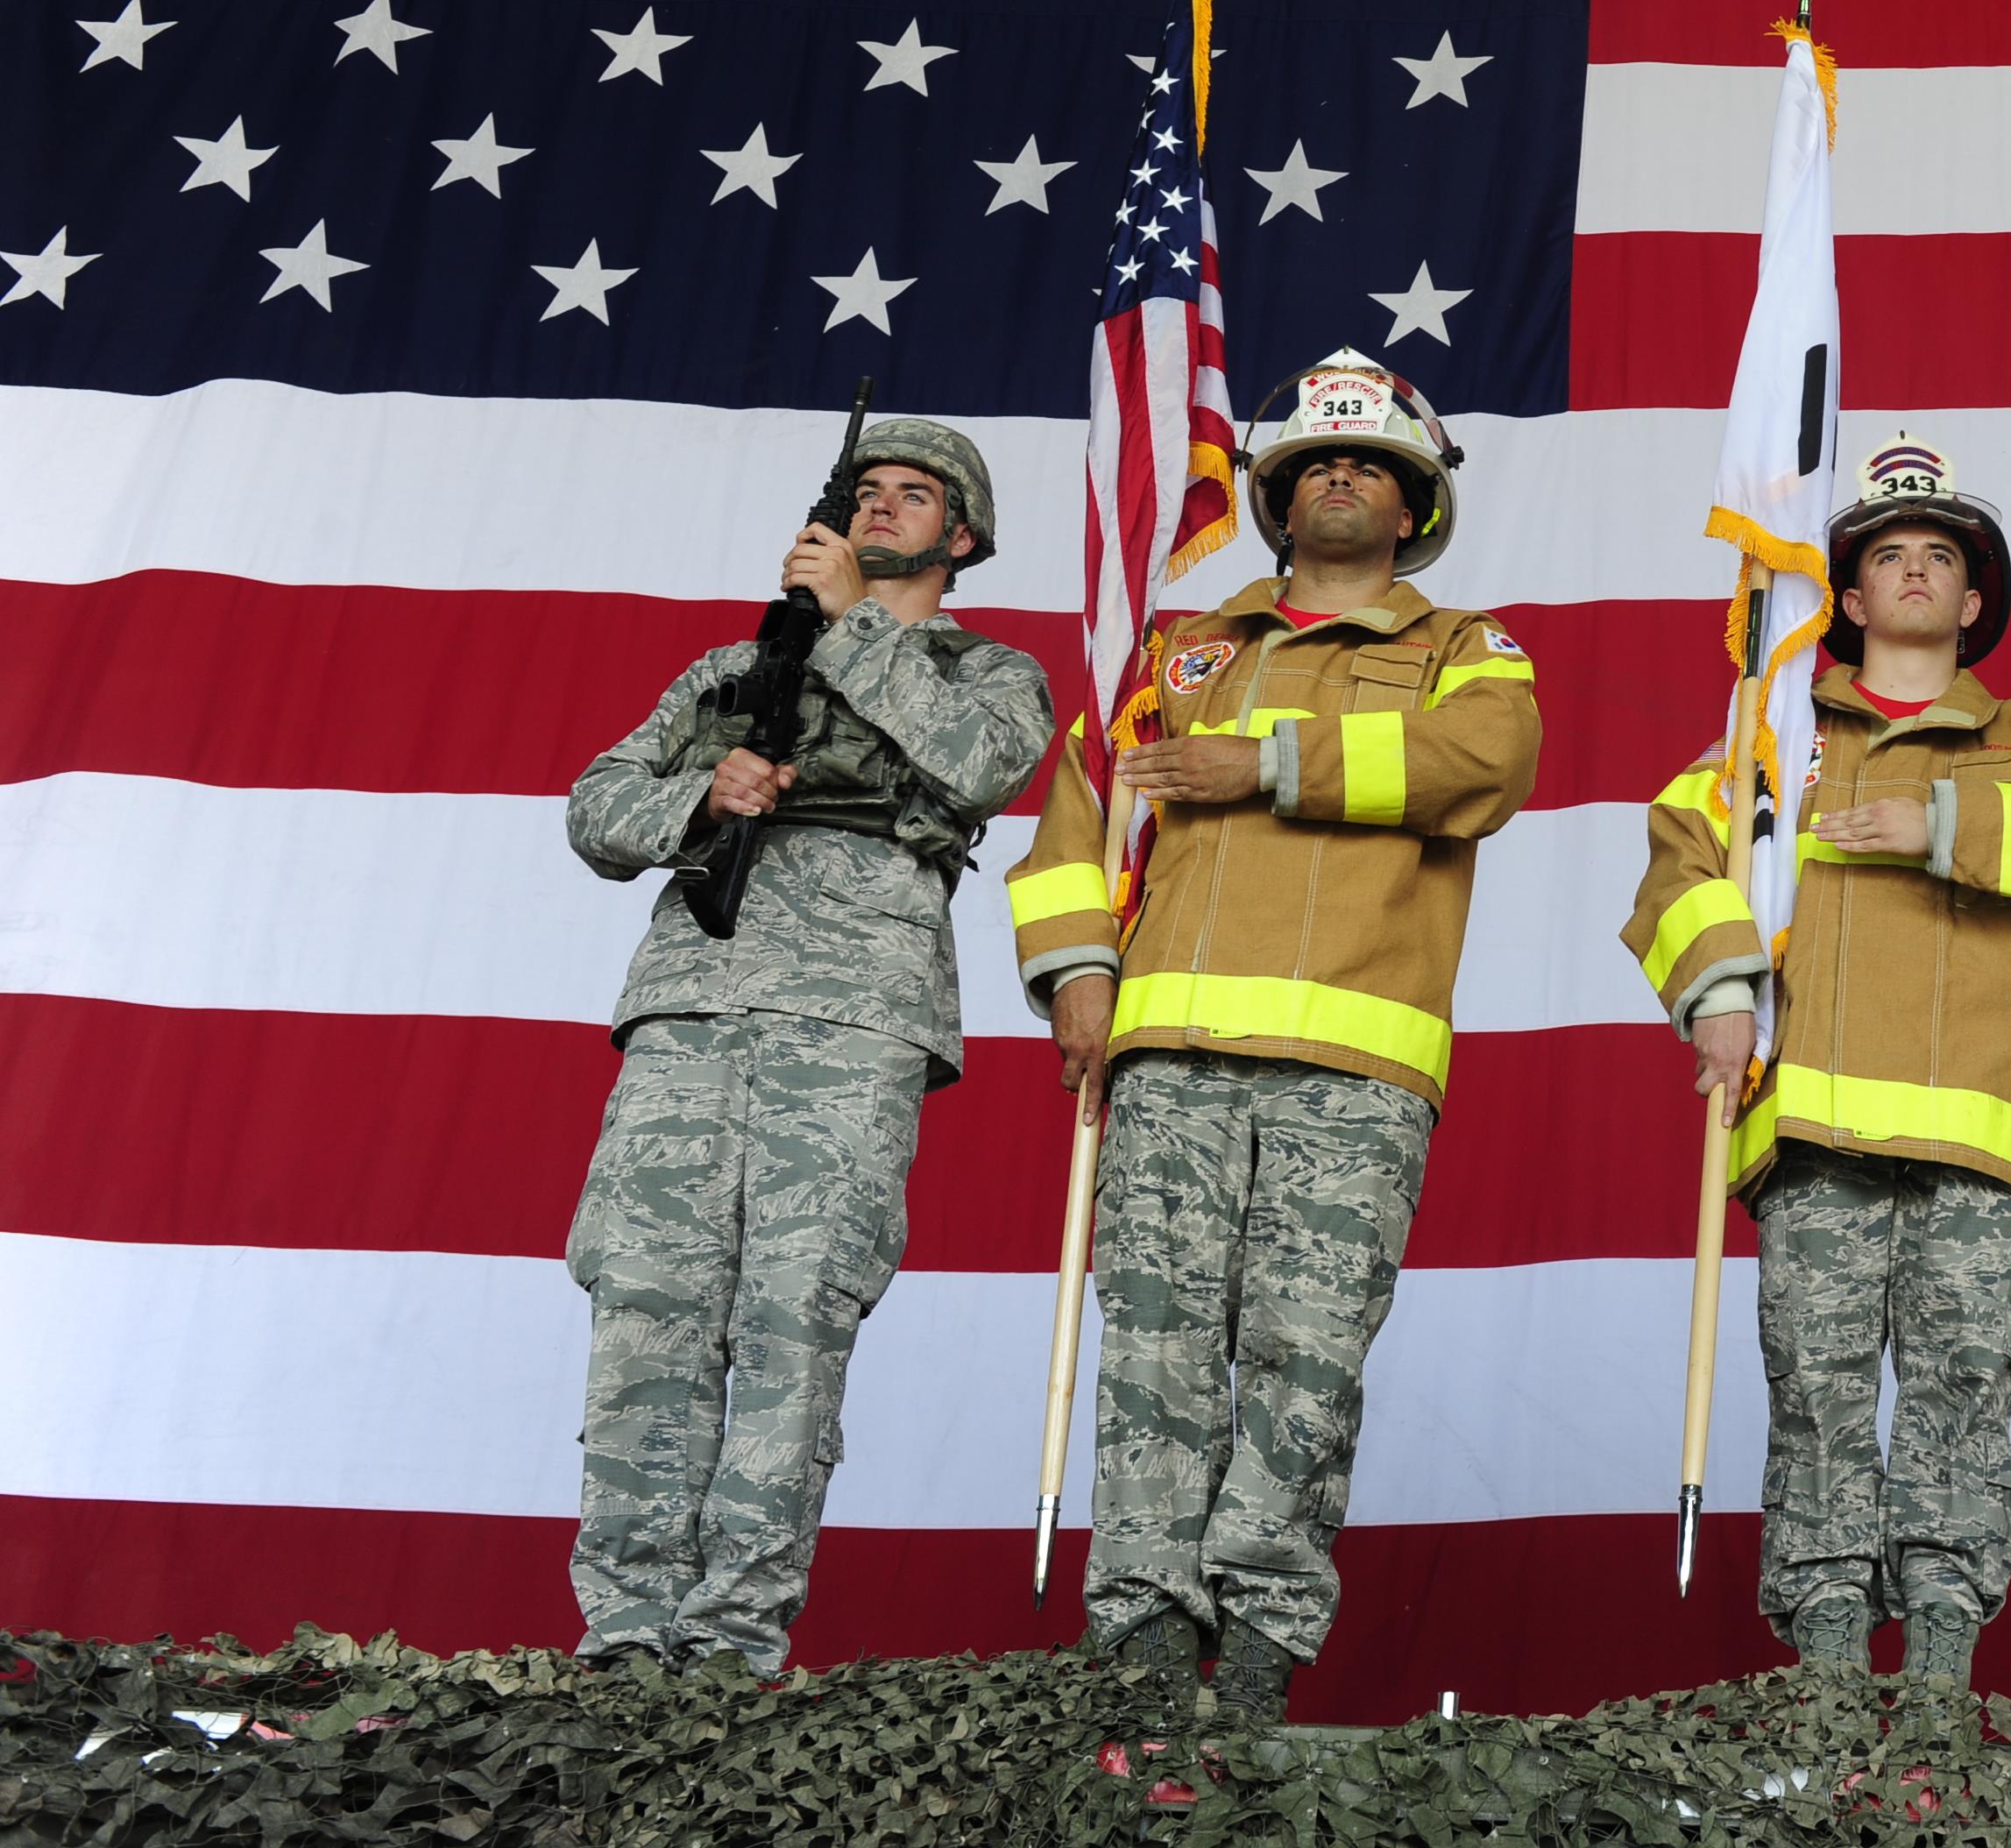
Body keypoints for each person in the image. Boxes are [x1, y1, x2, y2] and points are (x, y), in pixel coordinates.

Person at [1007, 348, 1540, 1724]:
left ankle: (1253, 1662)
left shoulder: (1465, 650)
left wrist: (1272, 761)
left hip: (1355, 1072)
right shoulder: (1172, 653)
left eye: (1369, 463)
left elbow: (1485, 765)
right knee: (1156, 1350)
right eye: (1315, 462)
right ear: (1275, 496)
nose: (1340, 478)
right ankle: (1138, 1652)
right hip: (1169, 1046)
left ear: (1415, 503)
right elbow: (1080, 817)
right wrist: (1075, 972)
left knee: (1307, 1362)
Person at [1622, 440, 2011, 1688]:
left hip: (1982, 1131)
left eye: (1941, 557)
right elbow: (1682, 859)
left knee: (1962, 1395)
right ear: (1848, 599)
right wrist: (1717, 995)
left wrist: (1940, 823)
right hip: (1814, 1126)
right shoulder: (1773, 732)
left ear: (1973, 602)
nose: (1915, 570)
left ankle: (1939, 1678)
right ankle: (1825, 1674)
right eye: (1888, 556)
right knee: (1817, 1392)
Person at [562, 418, 1052, 1674]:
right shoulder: (733, 667)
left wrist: (851, 626)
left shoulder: (991, 672)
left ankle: (732, 1642)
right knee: (648, 1305)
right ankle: (626, 1634)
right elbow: (598, 805)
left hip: (854, 1012)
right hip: (694, 999)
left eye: (912, 495)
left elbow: (983, 768)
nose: (879, 508)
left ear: (963, 538)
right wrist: (700, 796)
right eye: (862, 491)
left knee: (793, 1316)